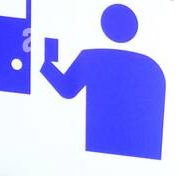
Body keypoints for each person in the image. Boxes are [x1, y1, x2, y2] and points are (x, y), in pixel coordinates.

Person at [40, 3, 167, 160]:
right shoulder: (152, 68)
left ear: (104, 26)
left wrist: (46, 63)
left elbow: (66, 89)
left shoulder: (92, 58)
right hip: (143, 155)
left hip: (99, 151)